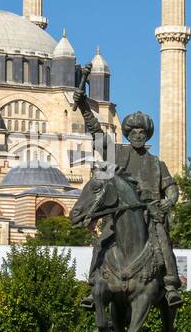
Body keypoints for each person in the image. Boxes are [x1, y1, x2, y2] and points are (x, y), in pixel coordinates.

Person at [73, 65, 182, 307]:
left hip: (150, 215)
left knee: (163, 242)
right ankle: (94, 288)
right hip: (120, 215)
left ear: (147, 135)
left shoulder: (156, 163)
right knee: (102, 243)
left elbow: (172, 188)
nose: (138, 136)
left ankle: (171, 285)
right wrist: (83, 106)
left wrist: (168, 201)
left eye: (142, 132)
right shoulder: (117, 154)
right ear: (128, 133)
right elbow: (96, 133)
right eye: (133, 132)